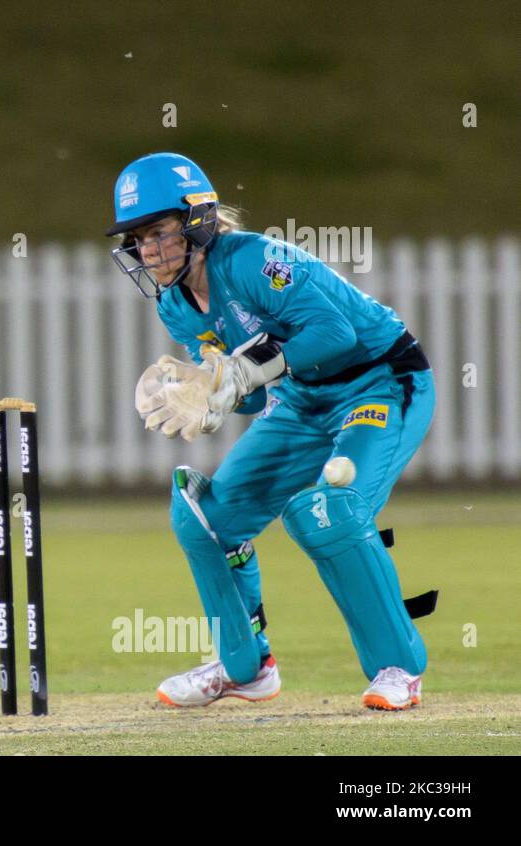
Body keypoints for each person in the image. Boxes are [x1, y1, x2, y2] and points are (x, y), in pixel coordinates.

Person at [107, 152, 437, 711]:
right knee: (206, 520)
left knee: (328, 511)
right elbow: (255, 393)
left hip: (378, 381)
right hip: (299, 400)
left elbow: (333, 333)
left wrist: (244, 370)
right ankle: (246, 667)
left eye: (159, 232)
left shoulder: (257, 260)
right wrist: (213, 394)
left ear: (198, 221)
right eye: (138, 239)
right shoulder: (175, 307)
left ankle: (399, 669)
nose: (150, 251)